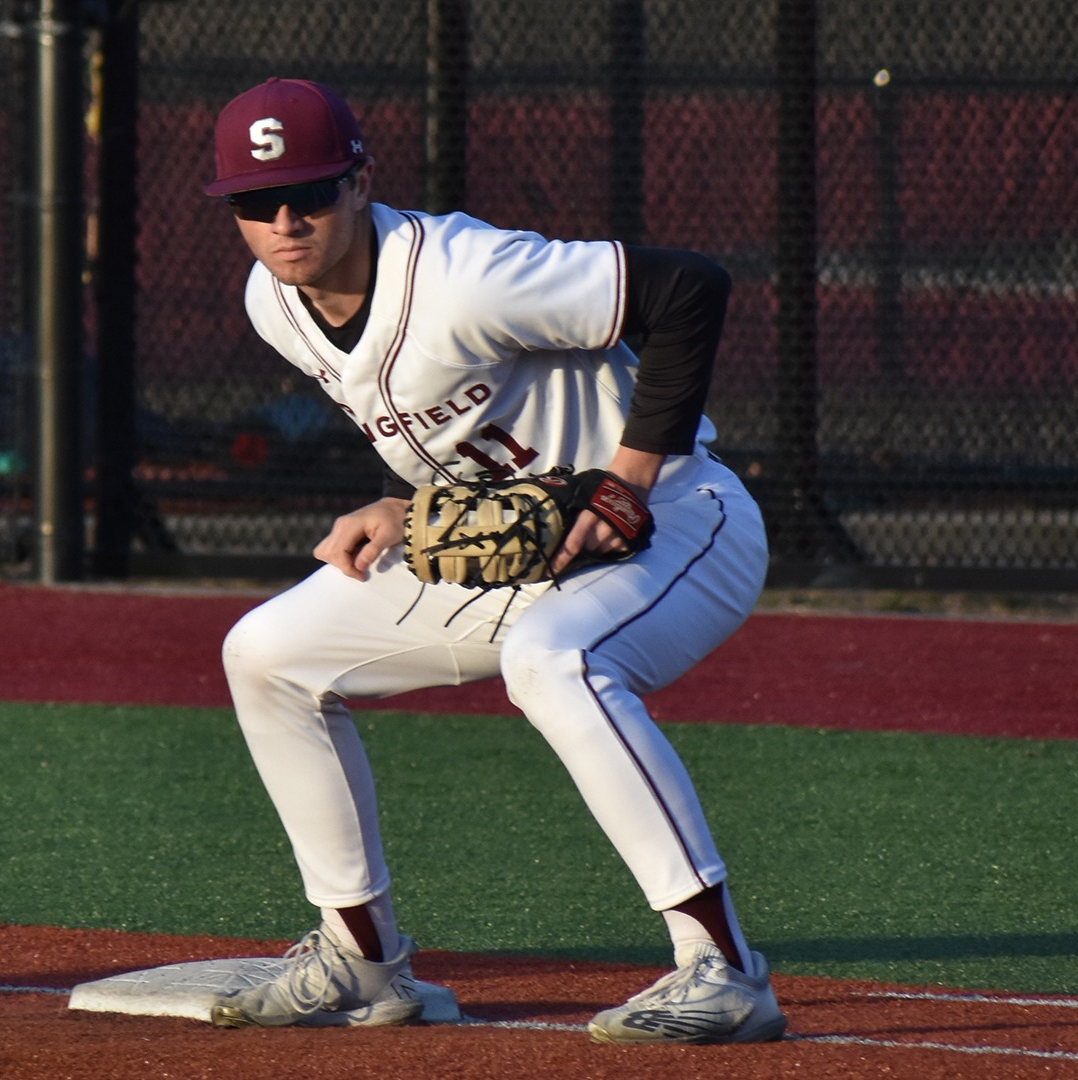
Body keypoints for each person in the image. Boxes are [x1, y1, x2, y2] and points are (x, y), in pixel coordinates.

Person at [204, 77, 784, 1045]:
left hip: (682, 518)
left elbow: (691, 287)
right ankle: (361, 962)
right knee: (266, 653)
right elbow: (450, 431)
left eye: (308, 192)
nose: (284, 221)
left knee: (555, 659)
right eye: (256, 203)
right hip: (527, 546)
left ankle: (722, 970)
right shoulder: (275, 302)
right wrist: (405, 506)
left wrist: (628, 480)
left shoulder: (467, 274)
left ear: (360, 182)